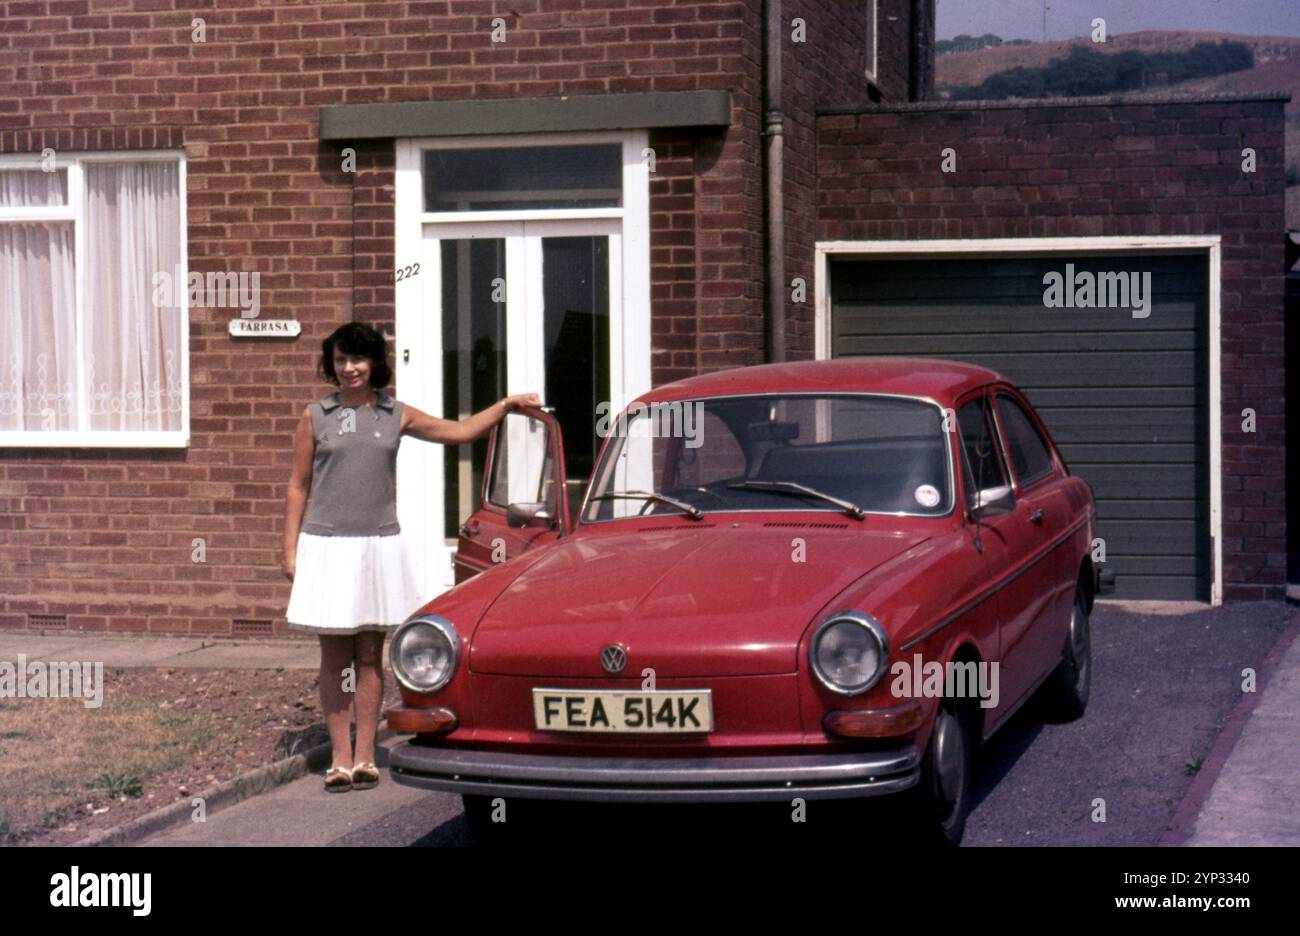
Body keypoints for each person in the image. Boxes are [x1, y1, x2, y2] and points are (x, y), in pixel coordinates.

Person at [281, 322, 539, 793]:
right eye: (340, 360)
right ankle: (338, 758)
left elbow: (459, 432)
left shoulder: (394, 414)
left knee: (369, 655)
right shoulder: (315, 416)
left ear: (374, 363)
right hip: (326, 545)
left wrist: (505, 406)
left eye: (357, 359)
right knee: (333, 655)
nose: (349, 368)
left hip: (378, 545)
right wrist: (289, 549)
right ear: (331, 364)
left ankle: (365, 756)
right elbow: (298, 485)